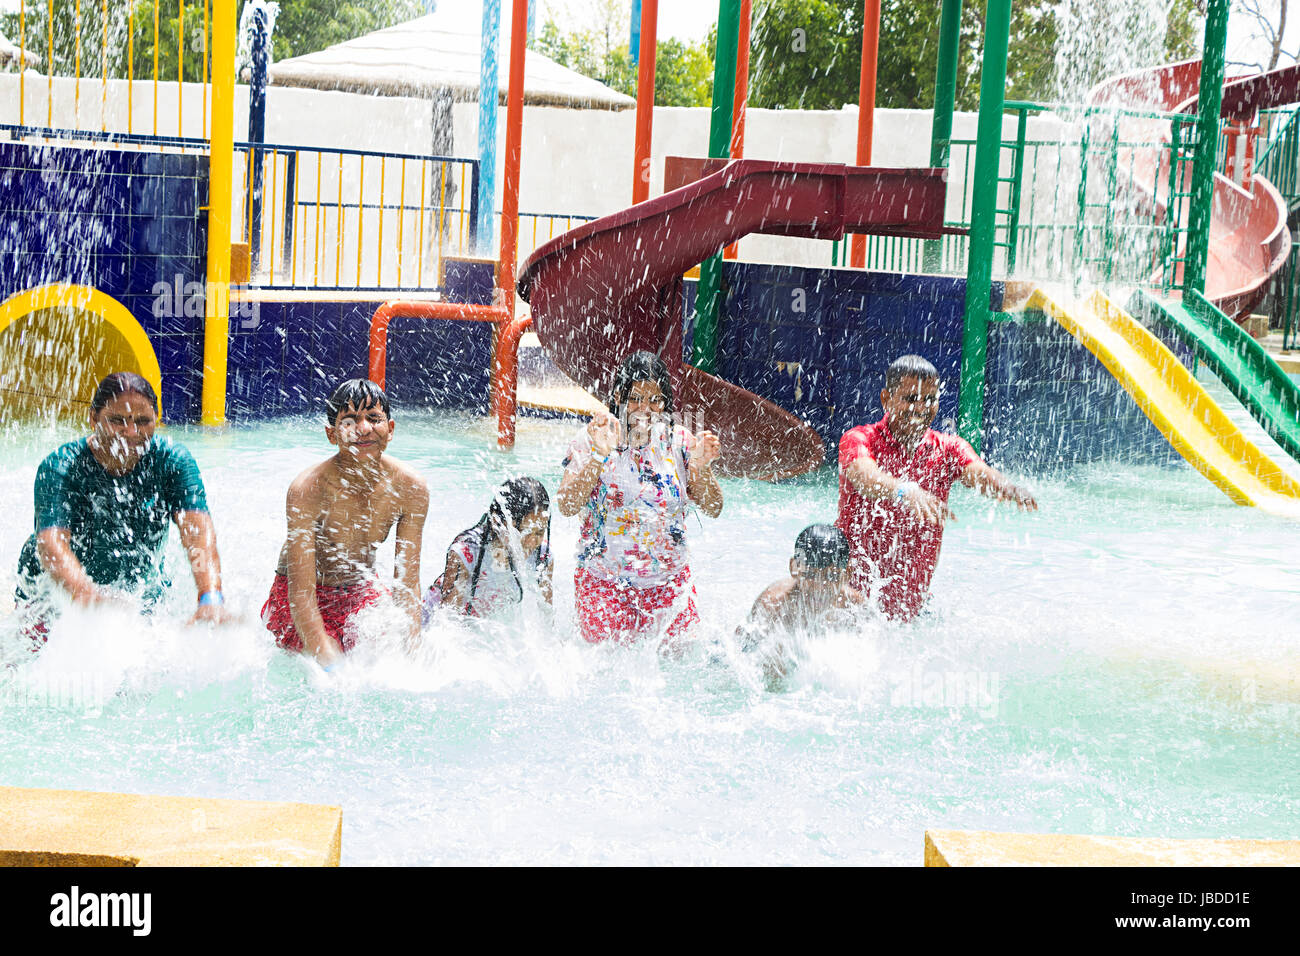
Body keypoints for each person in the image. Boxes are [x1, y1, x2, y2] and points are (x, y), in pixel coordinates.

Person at [13, 371, 230, 643]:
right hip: (50, 591)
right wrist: (85, 593)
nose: (131, 433)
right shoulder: (61, 466)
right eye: (117, 421)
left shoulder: (172, 461)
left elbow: (197, 530)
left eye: (143, 421)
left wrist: (210, 596)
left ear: (157, 420)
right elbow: (51, 543)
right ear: (93, 418)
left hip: (139, 590)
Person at [837, 354, 1037, 622]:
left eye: (930, 399)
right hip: (850, 604)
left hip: (912, 608)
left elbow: (978, 471)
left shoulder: (948, 448)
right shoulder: (860, 438)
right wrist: (904, 490)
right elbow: (864, 475)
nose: (921, 408)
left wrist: (1004, 485)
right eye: (910, 398)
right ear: (886, 399)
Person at [557, 351, 722, 646]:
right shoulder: (593, 438)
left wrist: (701, 468)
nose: (644, 409)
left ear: (665, 403)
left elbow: (714, 508)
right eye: (635, 398)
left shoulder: (679, 441)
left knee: (678, 668)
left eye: (654, 400)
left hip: (669, 585)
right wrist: (597, 457)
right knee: (606, 669)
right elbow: (567, 505)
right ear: (619, 395)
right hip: (604, 583)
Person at [261, 379, 429, 669]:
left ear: (390, 430)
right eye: (349, 420)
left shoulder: (409, 488)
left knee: (387, 659)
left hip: (360, 591)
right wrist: (328, 662)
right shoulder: (308, 489)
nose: (363, 429)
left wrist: (411, 654)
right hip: (304, 596)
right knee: (328, 670)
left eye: (373, 418)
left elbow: (407, 583)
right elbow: (301, 592)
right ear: (331, 434)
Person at [738, 524, 864, 682]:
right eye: (810, 575)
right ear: (794, 568)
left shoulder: (853, 605)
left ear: (848, 574)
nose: (820, 587)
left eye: (831, 576)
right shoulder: (774, 604)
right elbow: (739, 652)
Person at [424, 476, 553, 621]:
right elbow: (447, 620)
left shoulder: (542, 556)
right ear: (500, 522)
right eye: (525, 532)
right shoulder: (467, 552)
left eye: (539, 532)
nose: (532, 542)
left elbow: (546, 616)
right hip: (432, 618)